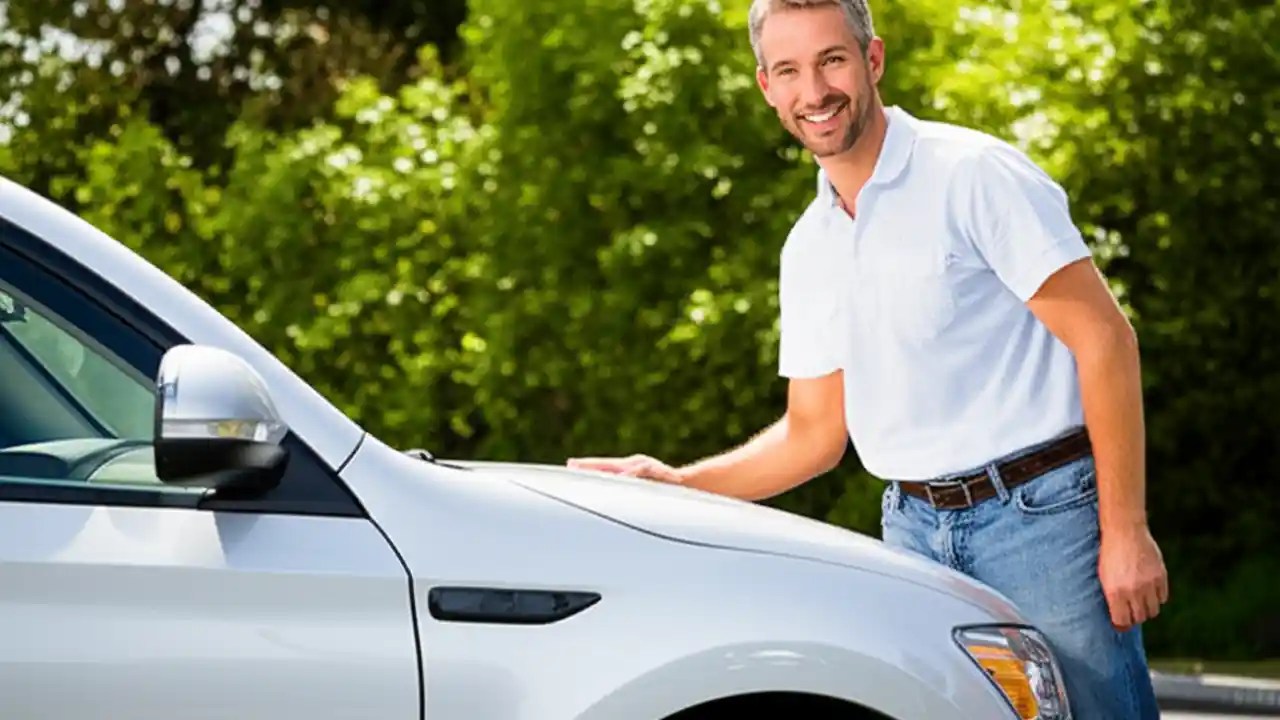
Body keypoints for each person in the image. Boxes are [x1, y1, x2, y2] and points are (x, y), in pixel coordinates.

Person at [566, 0, 1169, 717]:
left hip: (1043, 521)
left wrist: (1126, 530)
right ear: (767, 88)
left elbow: (1105, 338)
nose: (814, 91)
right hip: (911, 535)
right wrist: (678, 483)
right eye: (789, 70)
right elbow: (814, 435)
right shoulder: (808, 246)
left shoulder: (973, 174)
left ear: (872, 60)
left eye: (832, 60)